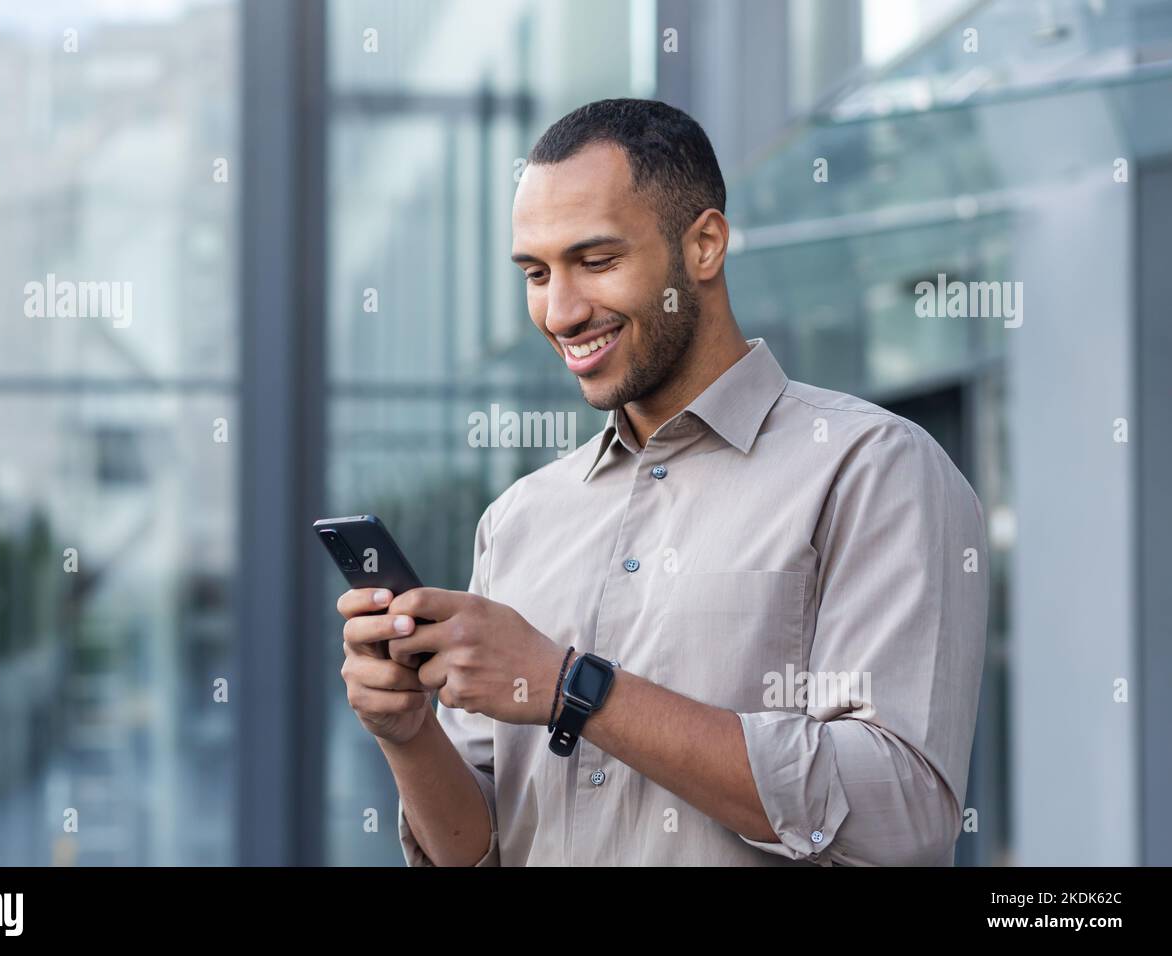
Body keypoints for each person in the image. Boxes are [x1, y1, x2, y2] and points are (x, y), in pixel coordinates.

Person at [336, 98, 989, 866]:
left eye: (597, 261)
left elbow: (899, 818)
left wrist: (571, 685)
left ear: (705, 245)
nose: (561, 311)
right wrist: (409, 736)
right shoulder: (518, 519)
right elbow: (482, 847)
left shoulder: (872, 468)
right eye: (536, 273)